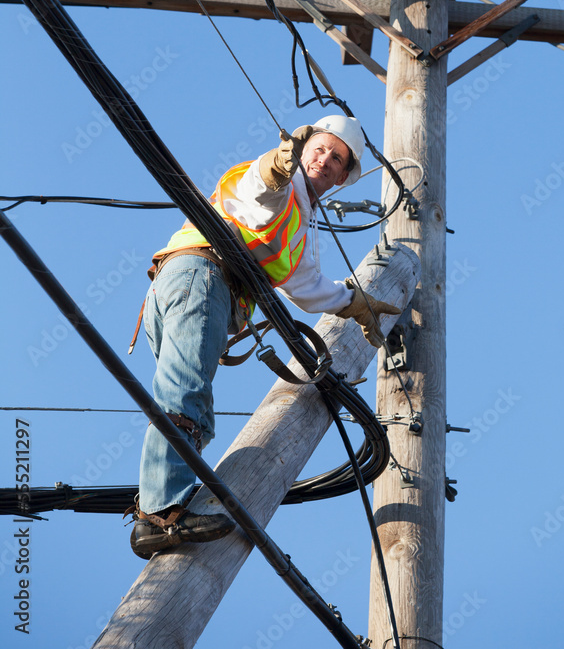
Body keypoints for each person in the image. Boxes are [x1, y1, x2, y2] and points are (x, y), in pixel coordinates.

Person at [129, 115, 402, 558]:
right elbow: (258, 189)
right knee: (186, 396)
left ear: (342, 177)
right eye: (320, 148)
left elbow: (309, 286)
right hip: (202, 279)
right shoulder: (283, 184)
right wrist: (278, 164)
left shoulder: (303, 222)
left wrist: (356, 304)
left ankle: (164, 504)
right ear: (304, 147)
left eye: (337, 158)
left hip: (192, 290)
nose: (325, 160)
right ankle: (161, 514)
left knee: (185, 398)